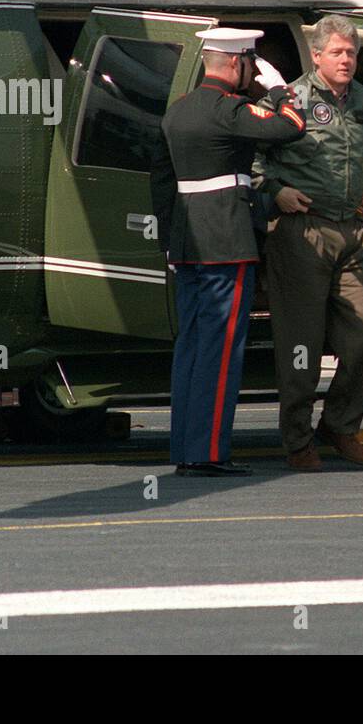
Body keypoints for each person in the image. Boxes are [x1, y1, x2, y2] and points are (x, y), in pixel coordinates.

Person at [150, 28, 307, 475]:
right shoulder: (228, 110)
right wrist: (279, 89)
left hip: (187, 242)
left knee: (192, 347)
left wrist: (168, 239)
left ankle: (186, 448)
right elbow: (289, 128)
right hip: (226, 241)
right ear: (237, 64)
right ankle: (208, 453)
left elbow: (161, 183)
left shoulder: (177, 113)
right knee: (220, 351)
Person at [254, 15, 363, 471]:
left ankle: (340, 424)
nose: (347, 59)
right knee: (301, 345)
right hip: (302, 233)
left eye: (351, 52)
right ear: (316, 56)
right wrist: (276, 191)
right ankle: (297, 440)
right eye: (337, 52)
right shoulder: (291, 99)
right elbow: (253, 157)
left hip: (353, 230)